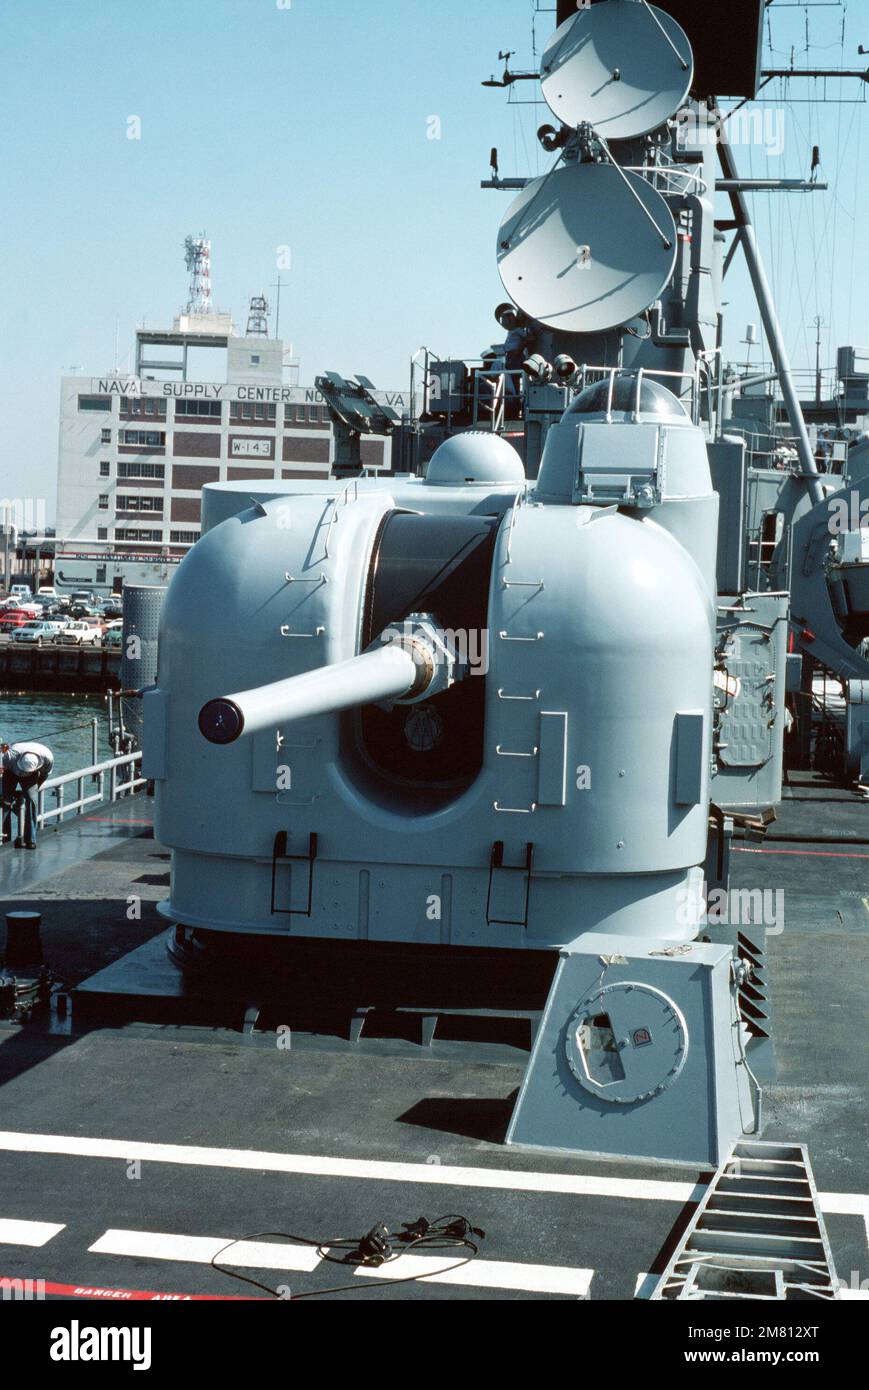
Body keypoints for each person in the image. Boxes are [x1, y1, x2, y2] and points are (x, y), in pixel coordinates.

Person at [1, 741, 54, 849]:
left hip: (31, 775)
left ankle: (30, 840)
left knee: (31, 800)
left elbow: (44, 775)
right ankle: (5, 839)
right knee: (5, 800)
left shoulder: (48, 758)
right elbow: (1, 769)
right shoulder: (10, 756)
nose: (21, 775)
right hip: (11, 771)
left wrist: (35, 788)